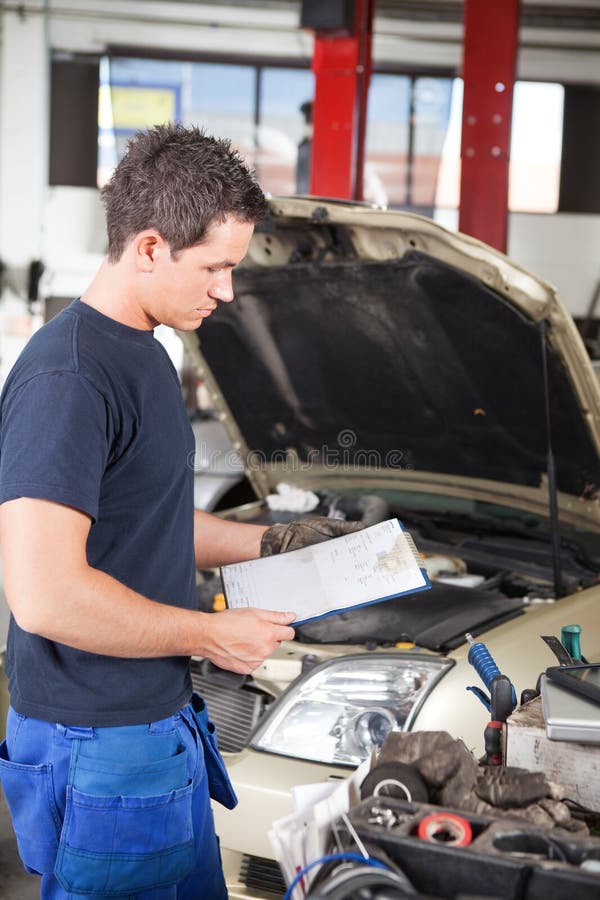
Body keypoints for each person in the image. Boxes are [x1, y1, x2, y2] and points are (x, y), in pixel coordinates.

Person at [0, 123, 357, 900]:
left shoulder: (149, 355)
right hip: (99, 744)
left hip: (159, 730)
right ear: (152, 247)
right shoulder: (68, 378)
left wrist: (273, 541)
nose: (227, 290)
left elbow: (145, 519)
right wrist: (208, 633)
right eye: (216, 267)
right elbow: (44, 593)